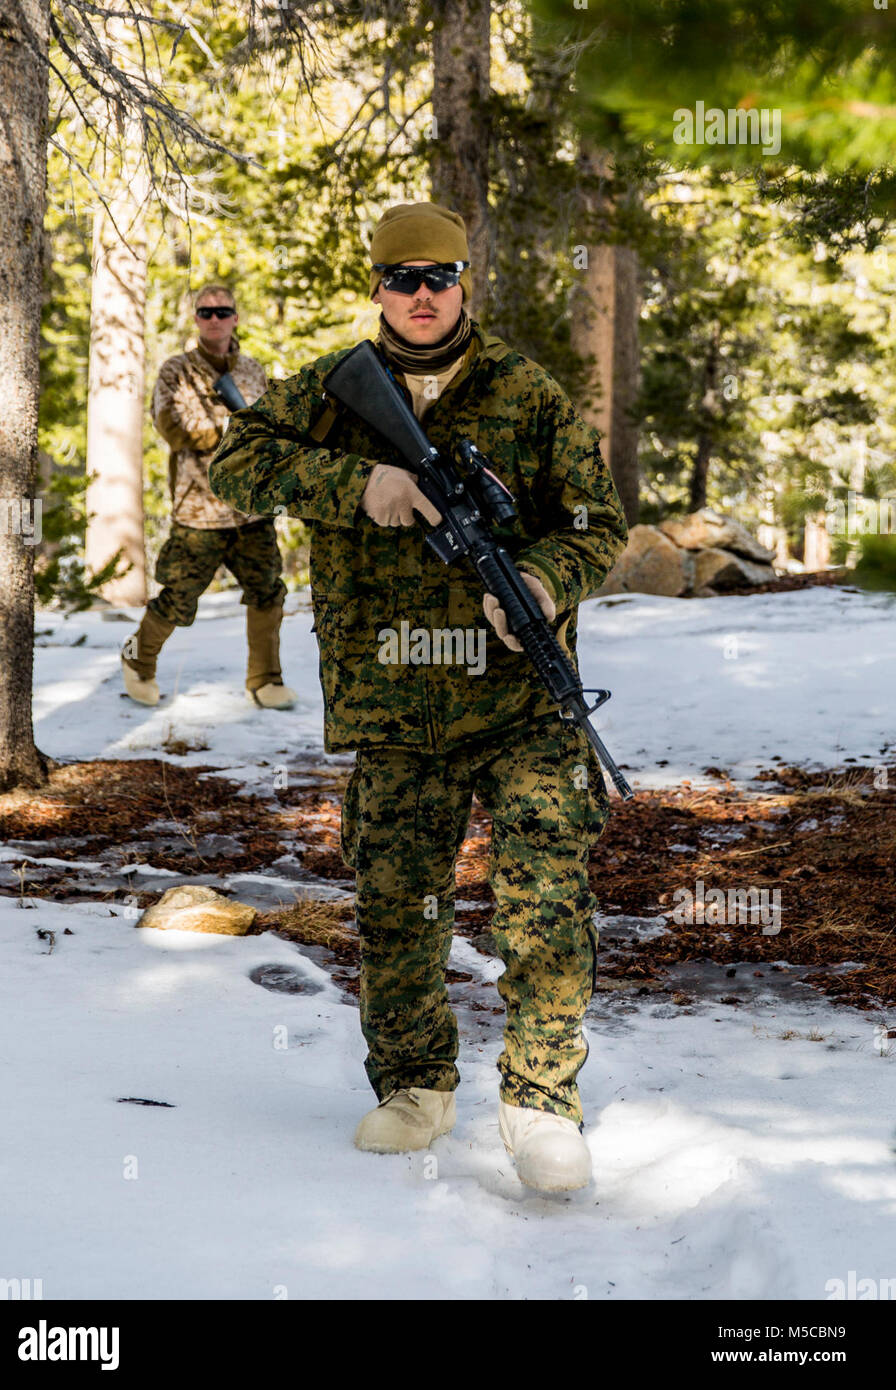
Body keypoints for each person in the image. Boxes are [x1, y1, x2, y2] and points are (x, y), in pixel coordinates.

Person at [208, 203, 629, 1192]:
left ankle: (539, 1101)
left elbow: (594, 519)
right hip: (391, 699)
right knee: (399, 902)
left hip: (519, 698)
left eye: (440, 275)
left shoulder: (523, 390)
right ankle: (412, 1086)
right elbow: (234, 465)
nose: (424, 295)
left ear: (463, 282)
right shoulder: (327, 387)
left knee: (547, 900)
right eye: (404, 279)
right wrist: (358, 484)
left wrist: (537, 581)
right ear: (378, 290)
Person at [121, 284, 296, 710]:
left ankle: (265, 680)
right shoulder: (175, 371)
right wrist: (233, 426)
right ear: (196, 319)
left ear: (236, 317)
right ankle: (139, 660)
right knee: (178, 597)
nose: (214, 318)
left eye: (223, 311)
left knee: (268, 592)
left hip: (251, 509)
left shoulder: (253, 371)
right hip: (199, 511)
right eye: (206, 312)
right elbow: (172, 427)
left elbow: (273, 426)